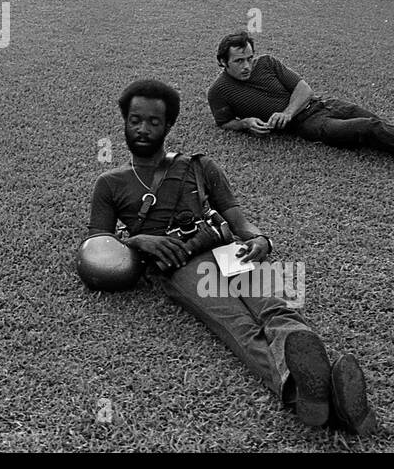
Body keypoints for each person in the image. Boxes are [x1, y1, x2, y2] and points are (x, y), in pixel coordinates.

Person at [87, 79, 378, 435]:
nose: (143, 129)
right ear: (125, 121)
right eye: (136, 120)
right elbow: (96, 246)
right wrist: (137, 241)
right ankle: (313, 393)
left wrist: (260, 240)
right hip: (181, 264)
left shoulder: (198, 166)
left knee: (276, 307)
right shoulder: (110, 183)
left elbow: (238, 220)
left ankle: (311, 394)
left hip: (227, 247)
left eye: (153, 122)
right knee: (239, 325)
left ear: (169, 126)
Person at [208, 32, 394, 172]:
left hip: (324, 104)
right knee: (369, 128)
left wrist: (286, 110)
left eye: (249, 58)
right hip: (309, 125)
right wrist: (245, 123)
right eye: (239, 61)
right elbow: (224, 123)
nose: (246, 65)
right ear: (223, 62)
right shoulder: (219, 91)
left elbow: (304, 89)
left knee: (380, 128)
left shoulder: (268, 63)